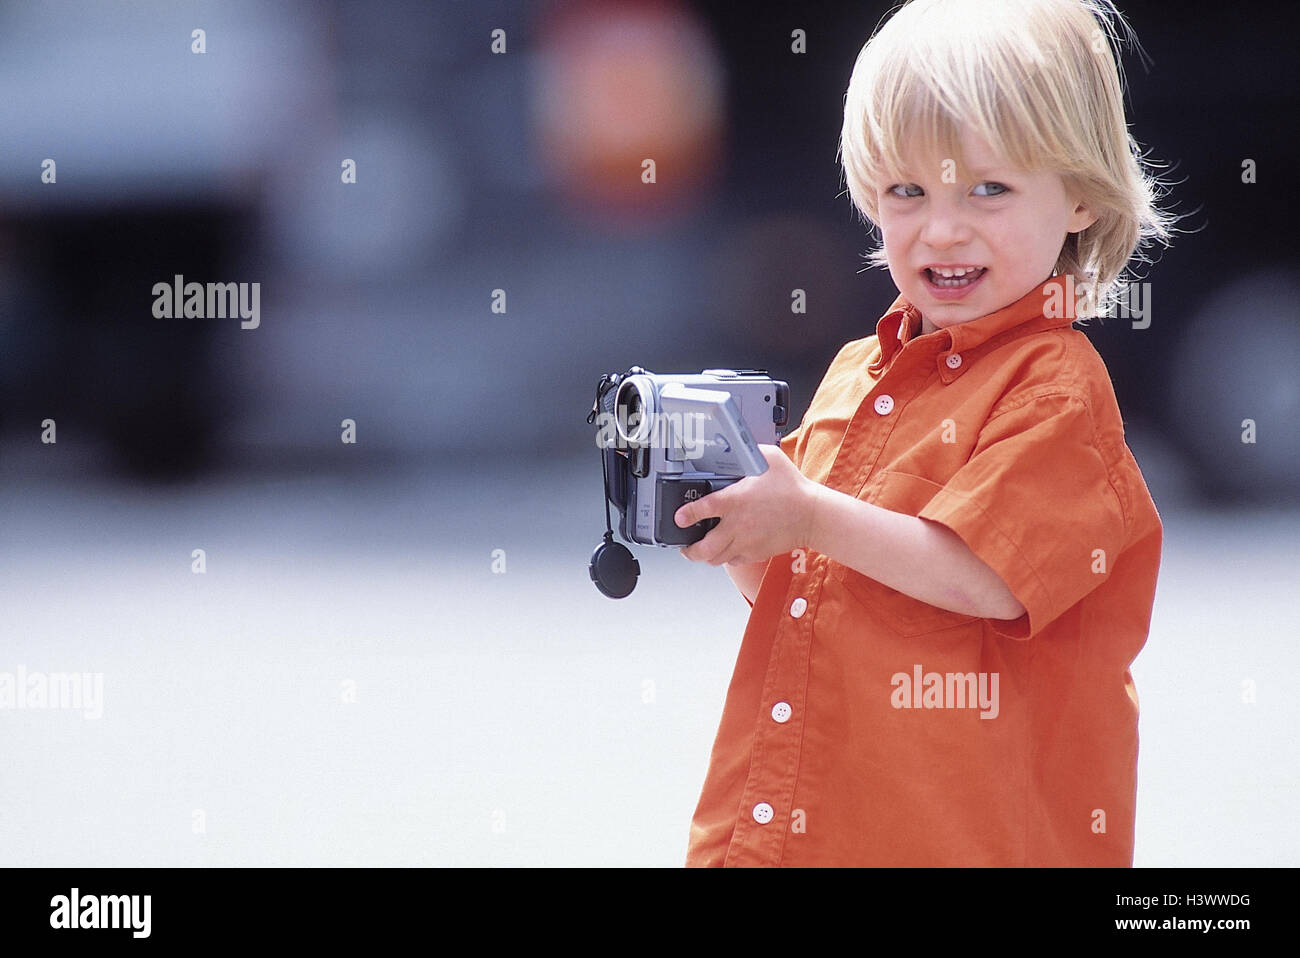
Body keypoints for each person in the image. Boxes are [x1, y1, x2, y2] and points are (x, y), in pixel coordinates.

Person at [674, 0, 1179, 866]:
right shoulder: (856, 372)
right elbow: (802, 587)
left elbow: (989, 577)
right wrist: (739, 526)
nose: (942, 227)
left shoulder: (1052, 385)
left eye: (988, 188)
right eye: (908, 190)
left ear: (1082, 201)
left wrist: (808, 517)